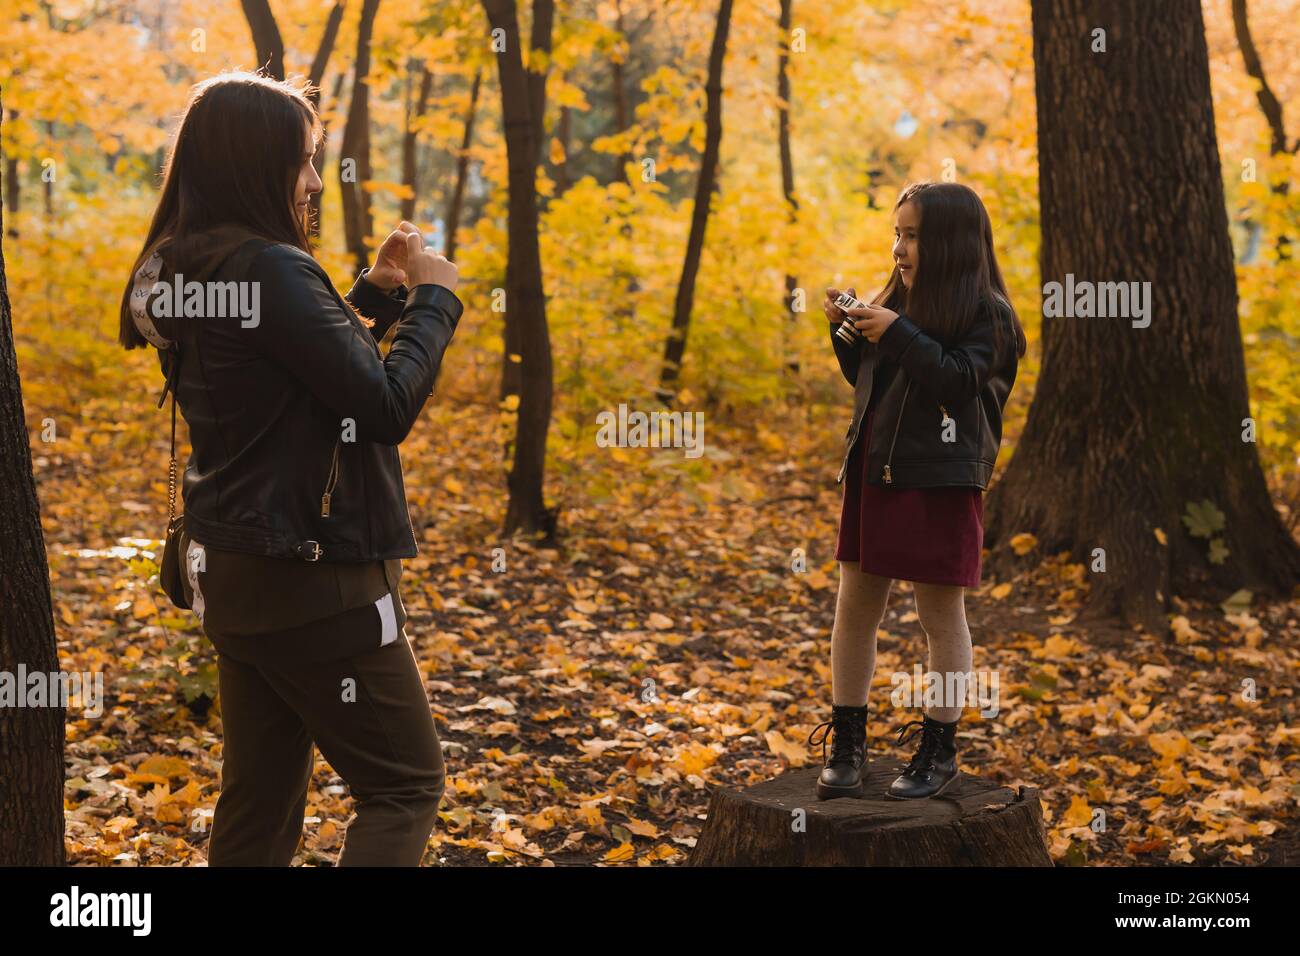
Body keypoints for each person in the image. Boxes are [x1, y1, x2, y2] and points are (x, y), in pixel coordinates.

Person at [117, 71, 463, 864]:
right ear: (252, 161)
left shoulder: (171, 268)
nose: (312, 181)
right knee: (404, 786)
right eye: (302, 159)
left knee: (262, 798)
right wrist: (434, 303)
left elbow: (273, 378)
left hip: (233, 574)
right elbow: (380, 408)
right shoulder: (271, 267)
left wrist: (370, 298)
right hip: (316, 580)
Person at [809, 181, 1027, 801]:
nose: (899, 248)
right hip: (874, 468)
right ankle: (849, 740)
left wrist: (897, 331)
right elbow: (873, 379)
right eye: (897, 235)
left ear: (952, 243)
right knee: (856, 605)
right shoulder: (898, 298)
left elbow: (957, 383)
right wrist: (849, 333)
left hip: (941, 480)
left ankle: (939, 746)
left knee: (939, 613)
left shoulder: (988, 314)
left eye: (912, 236)